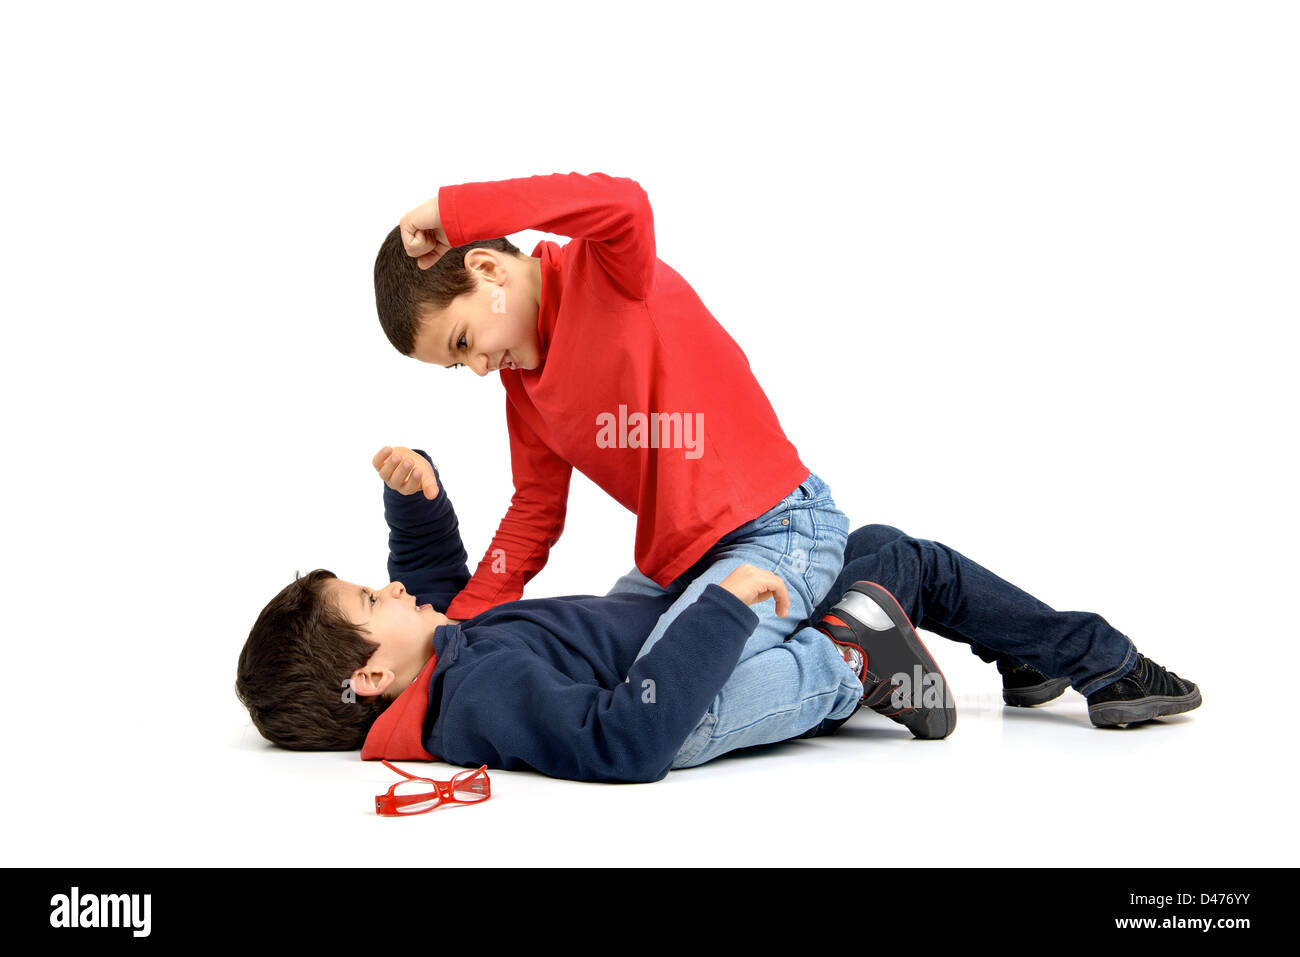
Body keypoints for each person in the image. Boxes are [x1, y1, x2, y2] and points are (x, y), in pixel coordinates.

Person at [371, 172, 852, 757]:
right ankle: (835, 610)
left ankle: (854, 661)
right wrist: (460, 627)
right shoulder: (523, 386)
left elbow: (622, 201)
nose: (475, 369)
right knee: (607, 684)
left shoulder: (606, 272)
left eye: (464, 341)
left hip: (775, 525)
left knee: (661, 713)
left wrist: (457, 211)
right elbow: (534, 513)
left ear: (489, 270)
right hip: (677, 560)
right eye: (456, 365)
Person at [236, 448, 946, 783]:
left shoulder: (436, 670)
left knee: (885, 552)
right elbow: (622, 742)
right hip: (694, 649)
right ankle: (845, 659)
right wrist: (721, 608)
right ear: (369, 676)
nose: (391, 587)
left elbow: (432, 592)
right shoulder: (477, 694)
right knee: (905, 562)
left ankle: (1022, 650)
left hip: (659, 613)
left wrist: (415, 500)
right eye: (369, 599)